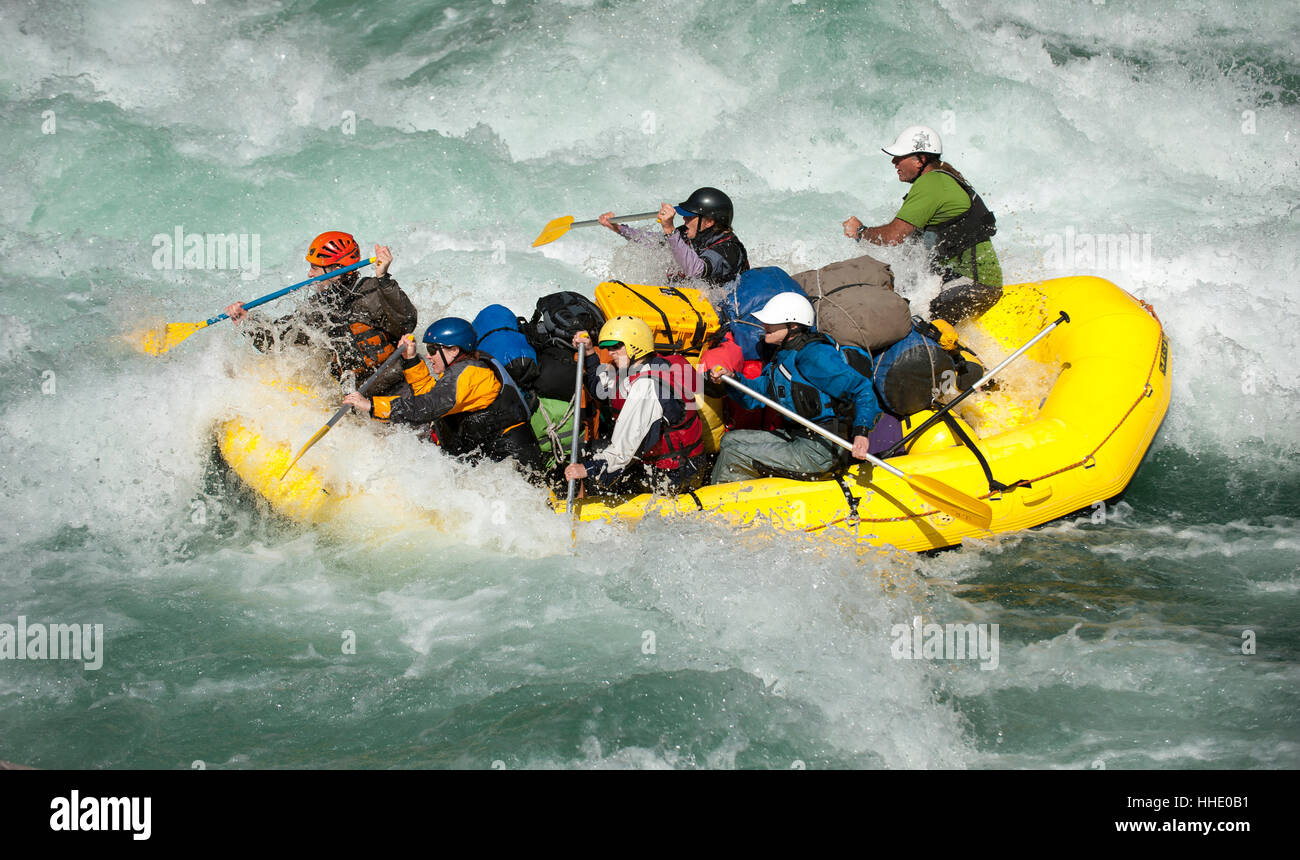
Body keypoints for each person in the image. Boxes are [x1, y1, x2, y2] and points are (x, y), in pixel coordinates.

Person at [707, 293, 880, 484]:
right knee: (730, 441)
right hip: (798, 436)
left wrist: (862, 432)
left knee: (734, 454)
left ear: (794, 326)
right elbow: (758, 394)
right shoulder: (783, 355)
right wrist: (732, 379)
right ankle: (747, 490)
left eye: (772, 322)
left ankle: (721, 507)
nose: (765, 326)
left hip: (822, 450)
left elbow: (861, 389)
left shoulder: (814, 355)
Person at [225, 231, 417, 395]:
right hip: (356, 398)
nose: (309, 274)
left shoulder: (374, 291)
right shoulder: (319, 308)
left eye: (315, 268)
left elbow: (407, 321)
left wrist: (383, 278)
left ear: (337, 269)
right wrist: (247, 321)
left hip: (398, 388)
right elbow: (279, 341)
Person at [342, 317, 542, 473]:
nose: (428, 356)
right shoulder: (463, 368)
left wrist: (372, 406)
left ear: (454, 350)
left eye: (432, 350)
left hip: (511, 464)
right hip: (486, 458)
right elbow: (431, 395)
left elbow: (427, 407)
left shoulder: (471, 375)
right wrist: (411, 360)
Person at [842, 126, 1002, 319]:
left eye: (900, 157)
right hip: (968, 279)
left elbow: (893, 236)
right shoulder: (939, 180)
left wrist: (860, 231)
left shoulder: (930, 184)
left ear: (920, 160)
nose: (894, 162)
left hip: (976, 283)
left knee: (913, 318)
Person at [563, 316, 706, 495]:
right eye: (609, 347)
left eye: (616, 346)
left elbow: (622, 451)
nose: (610, 352)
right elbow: (599, 387)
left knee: (590, 462)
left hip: (675, 475)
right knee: (592, 449)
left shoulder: (647, 386)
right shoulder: (642, 366)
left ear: (635, 346)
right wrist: (590, 352)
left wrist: (588, 470)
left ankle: (585, 506)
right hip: (670, 461)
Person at [599, 187, 749, 285]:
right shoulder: (692, 233)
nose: (684, 219)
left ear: (709, 222)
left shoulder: (729, 250)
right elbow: (656, 243)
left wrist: (670, 229)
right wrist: (618, 228)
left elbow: (696, 270)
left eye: (690, 217)